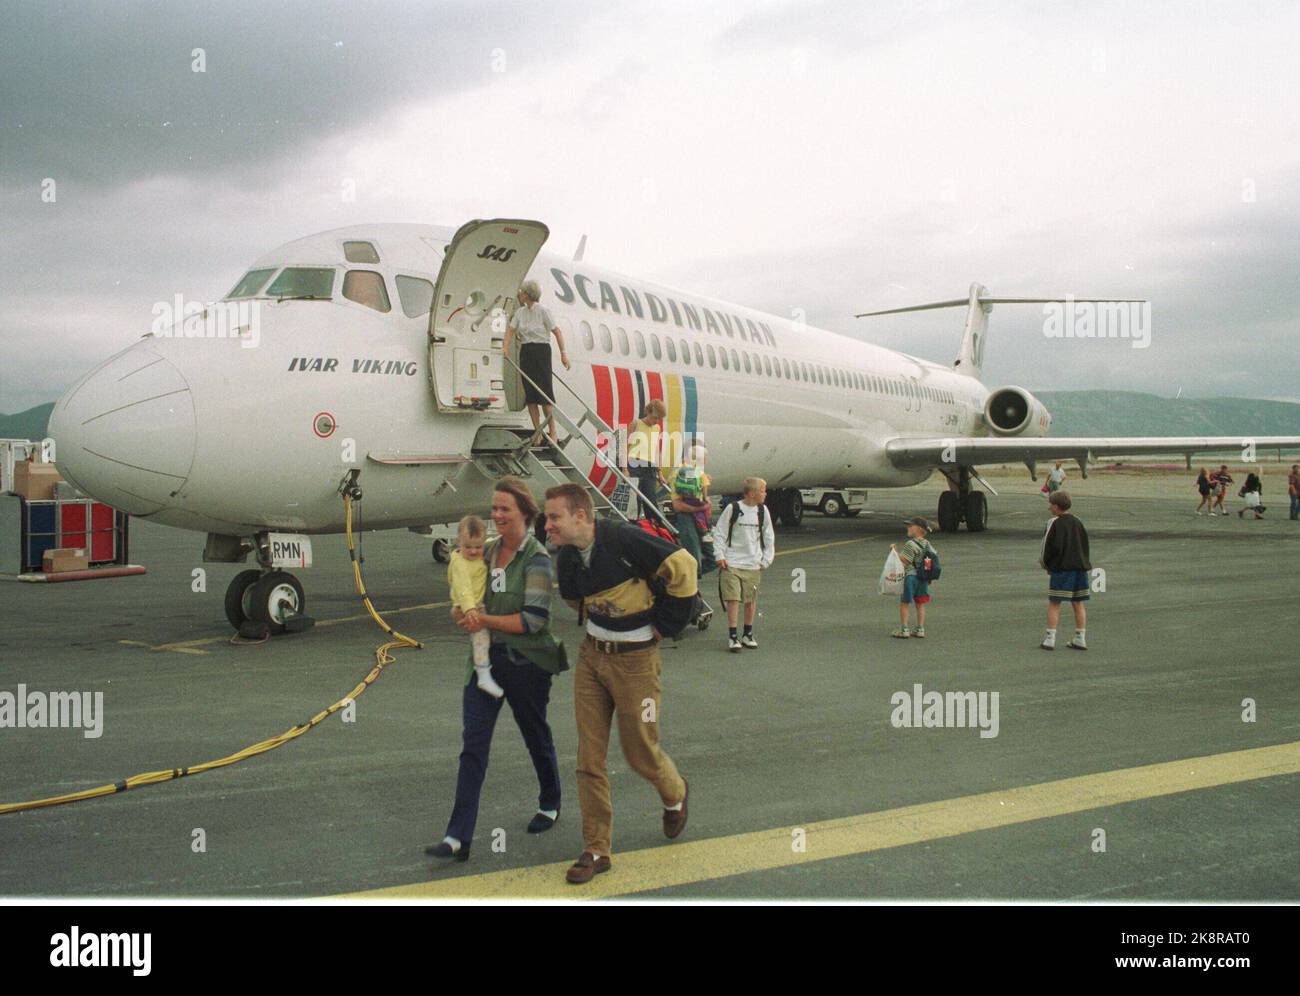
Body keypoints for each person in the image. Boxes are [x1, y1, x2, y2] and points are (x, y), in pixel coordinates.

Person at [545, 483, 698, 885]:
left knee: (640, 751)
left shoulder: (623, 538)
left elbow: (685, 567)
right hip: (591, 660)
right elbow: (574, 600)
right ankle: (596, 849)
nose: (548, 525)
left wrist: (665, 626)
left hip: (637, 665)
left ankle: (675, 793)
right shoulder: (566, 556)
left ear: (581, 516)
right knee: (588, 758)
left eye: (554, 517)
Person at [427, 477, 567, 863]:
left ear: (524, 511)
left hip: (526, 663)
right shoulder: (483, 553)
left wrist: (485, 619)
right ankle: (458, 836)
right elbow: (464, 593)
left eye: (505, 508)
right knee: (473, 747)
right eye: (494, 508)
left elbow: (535, 619)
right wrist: (460, 612)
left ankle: (550, 801)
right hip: (485, 664)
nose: (497, 515)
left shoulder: (537, 558)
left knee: (534, 733)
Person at [504, 279, 570, 445]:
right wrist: (505, 347)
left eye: (522, 292)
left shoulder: (543, 311)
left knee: (545, 394)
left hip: (542, 351)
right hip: (526, 351)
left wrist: (563, 354)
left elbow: (557, 332)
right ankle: (537, 432)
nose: (520, 294)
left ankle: (552, 431)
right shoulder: (520, 312)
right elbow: (510, 331)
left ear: (527, 294)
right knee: (531, 395)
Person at [713, 477, 775, 652]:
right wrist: (720, 555)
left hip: (752, 563)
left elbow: (769, 536)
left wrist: (767, 558)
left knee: (750, 599)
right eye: (762, 490)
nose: (765, 494)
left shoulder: (763, 511)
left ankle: (747, 633)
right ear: (752, 493)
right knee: (733, 599)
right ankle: (733, 636)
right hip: (732, 562)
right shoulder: (733, 509)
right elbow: (720, 533)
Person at [448, 514, 503, 699]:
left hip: (477, 602)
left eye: (478, 547)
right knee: (481, 637)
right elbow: (463, 587)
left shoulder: (477, 558)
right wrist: (470, 609)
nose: (473, 551)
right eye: (467, 547)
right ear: (458, 543)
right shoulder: (460, 563)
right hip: (468, 604)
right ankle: (483, 673)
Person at [1039, 492, 1090, 651]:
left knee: (1055, 602)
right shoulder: (1078, 521)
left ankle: (1050, 638)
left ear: (1056, 506)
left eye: (1051, 505)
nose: (1049, 508)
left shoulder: (1053, 522)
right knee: (1078, 602)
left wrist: (1046, 565)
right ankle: (1080, 637)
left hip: (1061, 569)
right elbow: (1085, 543)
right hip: (1080, 568)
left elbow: (1046, 547)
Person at [891, 517, 936, 638]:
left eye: (911, 526)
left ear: (919, 529)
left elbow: (905, 561)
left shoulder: (910, 544)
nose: (908, 528)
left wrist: (895, 552)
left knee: (905, 602)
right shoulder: (927, 544)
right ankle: (920, 628)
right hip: (923, 578)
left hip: (911, 577)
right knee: (920, 603)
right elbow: (931, 559)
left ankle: (904, 628)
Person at [623, 400, 667, 519]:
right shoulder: (636, 423)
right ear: (648, 412)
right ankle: (634, 524)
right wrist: (624, 468)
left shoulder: (657, 428)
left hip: (650, 465)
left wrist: (660, 472)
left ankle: (654, 525)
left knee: (651, 498)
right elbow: (625, 445)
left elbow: (656, 450)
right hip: (634, 464)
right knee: (635, 499)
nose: (656, 421)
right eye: (654, 418)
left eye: (658, 419)